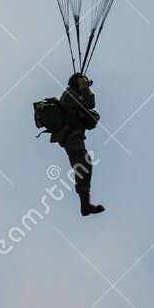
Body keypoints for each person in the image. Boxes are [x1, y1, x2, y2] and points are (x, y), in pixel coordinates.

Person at [41, 72, 104, 217]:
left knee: (84, 164)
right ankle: (85, 205)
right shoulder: (70, 95)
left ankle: (85, 203)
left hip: (72, 137)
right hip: (71, 137)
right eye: (82, 82)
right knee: (83, 164)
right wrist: (84, 87)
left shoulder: (72, 96)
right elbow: (90, 103)